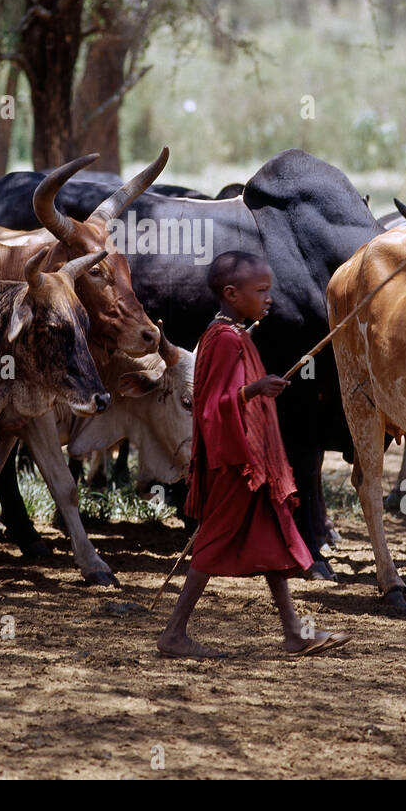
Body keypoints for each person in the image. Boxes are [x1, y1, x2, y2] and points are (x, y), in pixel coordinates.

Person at [157, 250, 351, 658]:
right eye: (260, 291)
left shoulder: (235, 334)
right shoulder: (224, 339)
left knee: (274, 538)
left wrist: (257, 388)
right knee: (213, 540)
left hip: (249, 460)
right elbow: (211, 405)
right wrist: (255, 389)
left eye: (269, 290)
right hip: (234, 462)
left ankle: (294, 635)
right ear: (231, 293)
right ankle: (174, 634)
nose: (269, 298)